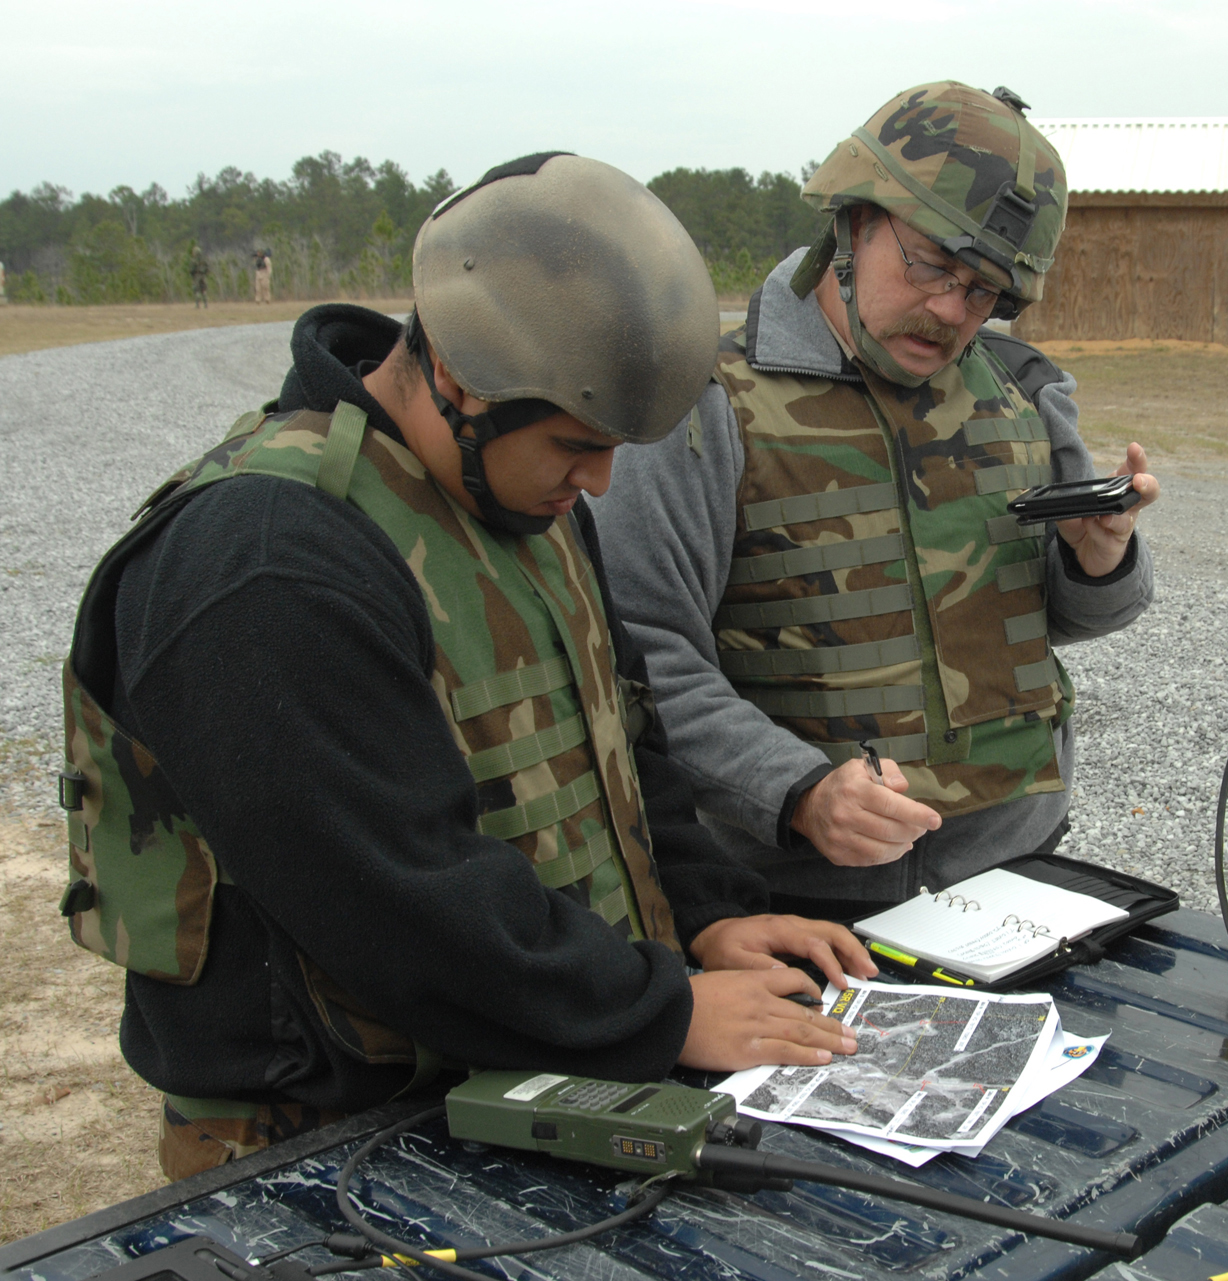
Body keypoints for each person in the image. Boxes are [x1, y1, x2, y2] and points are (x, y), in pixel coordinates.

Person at [58, 153, 875, 1180]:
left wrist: (712, 918)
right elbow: (394, 894)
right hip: (328, 1138)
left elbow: (626, 746)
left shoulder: (513, 493)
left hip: (536, 1062)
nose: (601, 480)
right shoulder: (267, 566)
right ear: (456, 377)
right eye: (578, 444)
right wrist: (659, 1013)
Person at [593, 84, 1158, 922]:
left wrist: (1100, 557)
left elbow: (1068, 617)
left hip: (1014, 881)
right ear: (853, 222)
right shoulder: (706, 404)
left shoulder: (1024, 393)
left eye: (986, 292)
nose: (950, 310)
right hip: (797, 900)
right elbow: (642, 656)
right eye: (931, 264)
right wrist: (796, 789)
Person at [187, 243, 209, 309]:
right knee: (204, 291)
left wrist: (192, 275)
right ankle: (206, 304)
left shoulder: (194, 260)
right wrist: (204, 274)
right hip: (203, 276)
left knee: (197, 291)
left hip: (196, 276)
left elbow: (191, 270)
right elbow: (207, 268)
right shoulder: (204, 260)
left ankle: (197, 305)